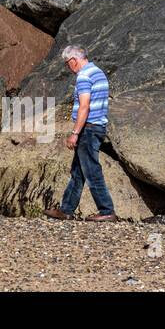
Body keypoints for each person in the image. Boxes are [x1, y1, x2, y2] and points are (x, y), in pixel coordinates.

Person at [45, 45, 117, 222]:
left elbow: (84, 106)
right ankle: (66, 209)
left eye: (67, 64)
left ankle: (106, 210)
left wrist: (75, 132)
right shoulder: (98, 72)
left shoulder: (84, 76)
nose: (68, 68)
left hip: (88, 128)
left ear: (73, 60)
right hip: (98, 125)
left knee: (92, 170)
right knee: (78, 170)